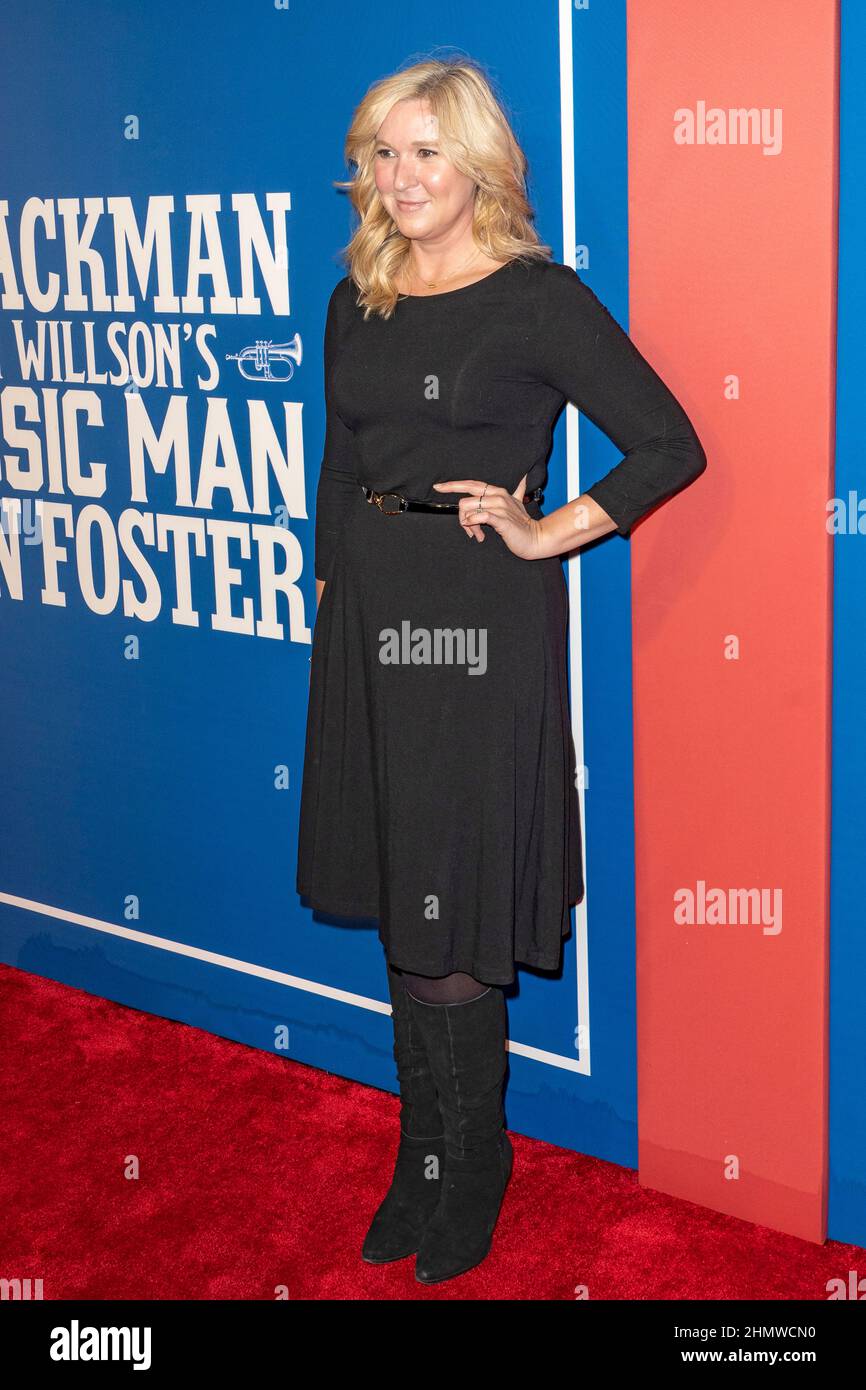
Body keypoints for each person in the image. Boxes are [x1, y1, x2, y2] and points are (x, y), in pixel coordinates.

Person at [296, 55, 707, 1285]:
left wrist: (548, 526)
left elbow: (668, 443)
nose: (400, 174)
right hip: (370, 616)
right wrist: (330, 590)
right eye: (382, 150)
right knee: (397, 870)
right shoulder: (355, 296)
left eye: (425, 150)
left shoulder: (534, 297)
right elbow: (337, 456)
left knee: (453, 893)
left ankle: (472, 1165)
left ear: (477, 165)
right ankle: (419, 1157)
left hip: (476, 620)